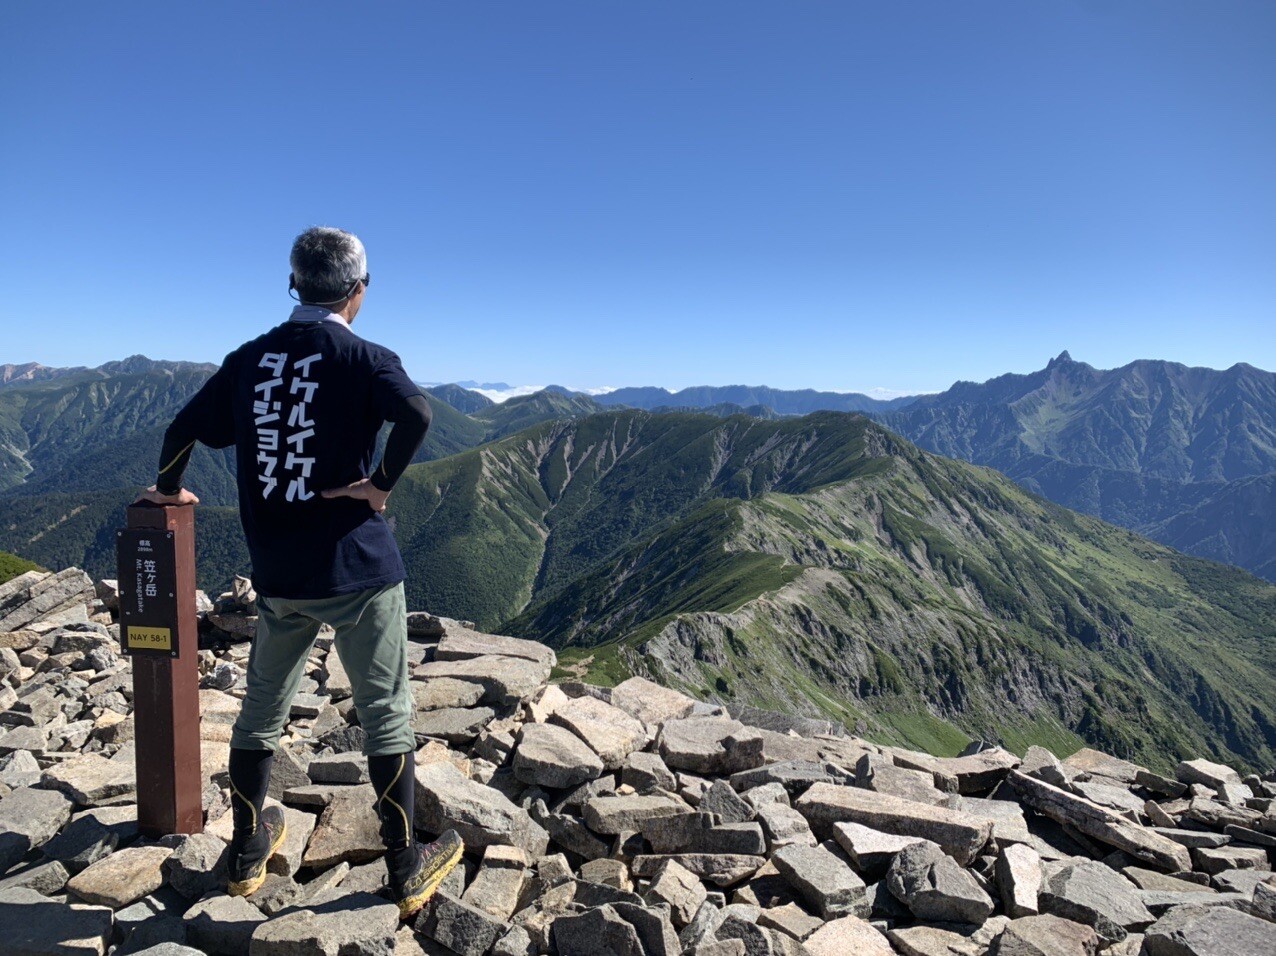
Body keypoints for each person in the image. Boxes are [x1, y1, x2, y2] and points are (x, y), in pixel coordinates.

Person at [138, 226, 463, 920]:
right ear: (358, 292)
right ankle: (405, 864)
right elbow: (417, 413)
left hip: (280, 574)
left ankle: (247, 851)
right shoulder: (365, 357)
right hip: (359, 569)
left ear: (294, 285)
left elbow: (179, 433)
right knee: (384, 715)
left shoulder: (249, 360)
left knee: (261, 710)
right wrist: (379, 484)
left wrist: (169, 494)